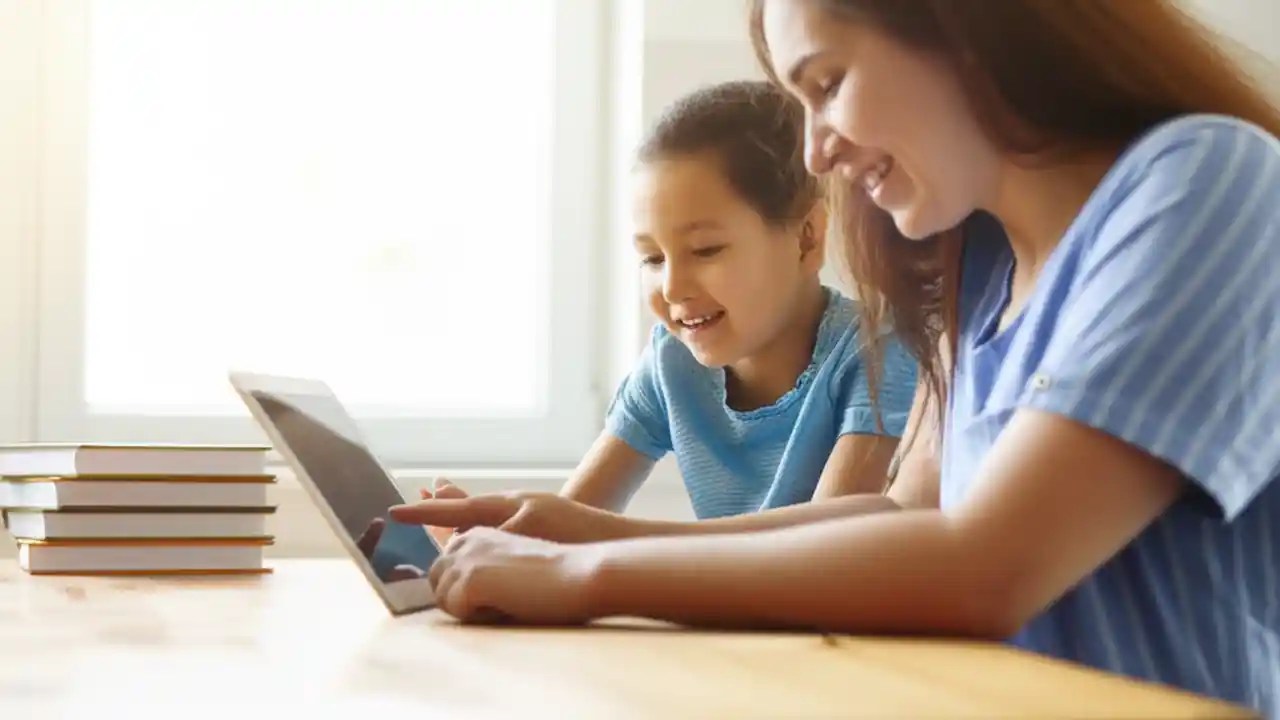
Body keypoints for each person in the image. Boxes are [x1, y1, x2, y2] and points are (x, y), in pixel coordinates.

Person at [395, 1, 1280, 715]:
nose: (816, 149)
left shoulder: (1211, 183)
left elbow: (989, 566)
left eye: (828, 84)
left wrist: (590, 574)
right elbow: (902, 512)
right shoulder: (979, 264)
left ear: (967, 32)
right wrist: (588, 530)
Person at [414, 80, 917, 543]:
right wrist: (494, 540)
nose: (673, 287)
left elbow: (821, 553)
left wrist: (599, 538)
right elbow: (567, 526)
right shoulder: (671, 362)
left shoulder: (879, 351)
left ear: (806, 238)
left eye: (705, 250)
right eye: (652, 258)